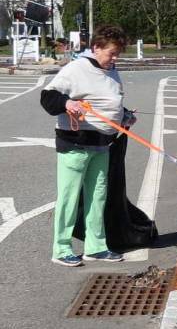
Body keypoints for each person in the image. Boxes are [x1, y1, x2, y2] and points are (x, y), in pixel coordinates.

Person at [41, 25, 133, 266]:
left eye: (118, 53)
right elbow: (48, 97)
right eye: (112, 53)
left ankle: (96, 246)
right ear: (96, 48)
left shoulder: (111, 71)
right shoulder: (76, 69)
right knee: (69, 198)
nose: (115, 58)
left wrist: (124, 117)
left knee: (97, 197)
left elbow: (109, 102)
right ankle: (61, 249)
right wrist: (67, 103)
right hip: (75, 144)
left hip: (102, 145)